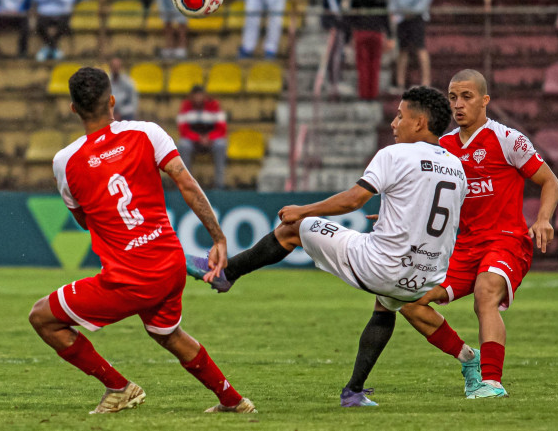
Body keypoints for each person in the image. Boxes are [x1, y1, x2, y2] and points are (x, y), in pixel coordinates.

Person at [189, 86, 481, 407]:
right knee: (388, 303)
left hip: (380, 264)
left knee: (293, 230)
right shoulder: (456, 166)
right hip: (423, 278)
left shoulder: (394, 154)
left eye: (400, 116)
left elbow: (353, 199)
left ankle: (225, 273)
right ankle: (355, 392)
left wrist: (304, 210)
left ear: (419, 122)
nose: (394, 124)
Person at [27, 67, 255, 414]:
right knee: (168, 334)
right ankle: (233, 401)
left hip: (130, 277)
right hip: (171, 263)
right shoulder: (147, 132)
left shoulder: (65, 162)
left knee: (42, 317)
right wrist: (218, 237)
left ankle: (119, 387)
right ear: (113, 101)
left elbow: (84, 221)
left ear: (73, 108)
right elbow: (187, 184)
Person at [408, 70, 558, 397]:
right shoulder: (443, 147)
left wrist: (543, 219)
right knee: (409, 300)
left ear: (485, 100)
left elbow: (550, 181)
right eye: (452, 97)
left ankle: (492, 382)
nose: (458, 104)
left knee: (485, 292)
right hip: (462, 247)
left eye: (467, 96)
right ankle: (468, 359)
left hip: (506, 240)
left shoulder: (508, 140)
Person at [390, 0, 434, 91]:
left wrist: (415, 11)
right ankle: (400, 83)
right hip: (402, 16)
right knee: (402, 50)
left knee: (420, 48)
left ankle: (426, 82)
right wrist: (395, 10)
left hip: (417, 15)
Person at [344, 0, 391, 100]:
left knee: (362, 65)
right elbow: (385, 18)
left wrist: (348, 37)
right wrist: (390, 36)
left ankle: (364, 94)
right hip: (376, 33)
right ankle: (373, 93)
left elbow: (350, 19)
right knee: (375, 64)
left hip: (361, 33)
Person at [176, 85, 227, 189]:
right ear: (192, 96)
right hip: (193, 141)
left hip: (211, 141)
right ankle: (186, 184)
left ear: (204, 96)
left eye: (200, 95)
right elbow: (183, 130)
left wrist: (209, 137)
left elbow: (222, 128)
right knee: (183, 145)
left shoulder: (214, 106)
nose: (198, 98)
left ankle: (219, 184)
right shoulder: (185, 107)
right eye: (196, 95)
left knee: (221, 144)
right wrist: (197, 138)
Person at [320, 0, 352, 97]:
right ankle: (332, 81)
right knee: (334, 51)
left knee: (338, 50)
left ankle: (335, 79)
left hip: (341, 18)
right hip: (333, 18)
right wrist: (336, 14)